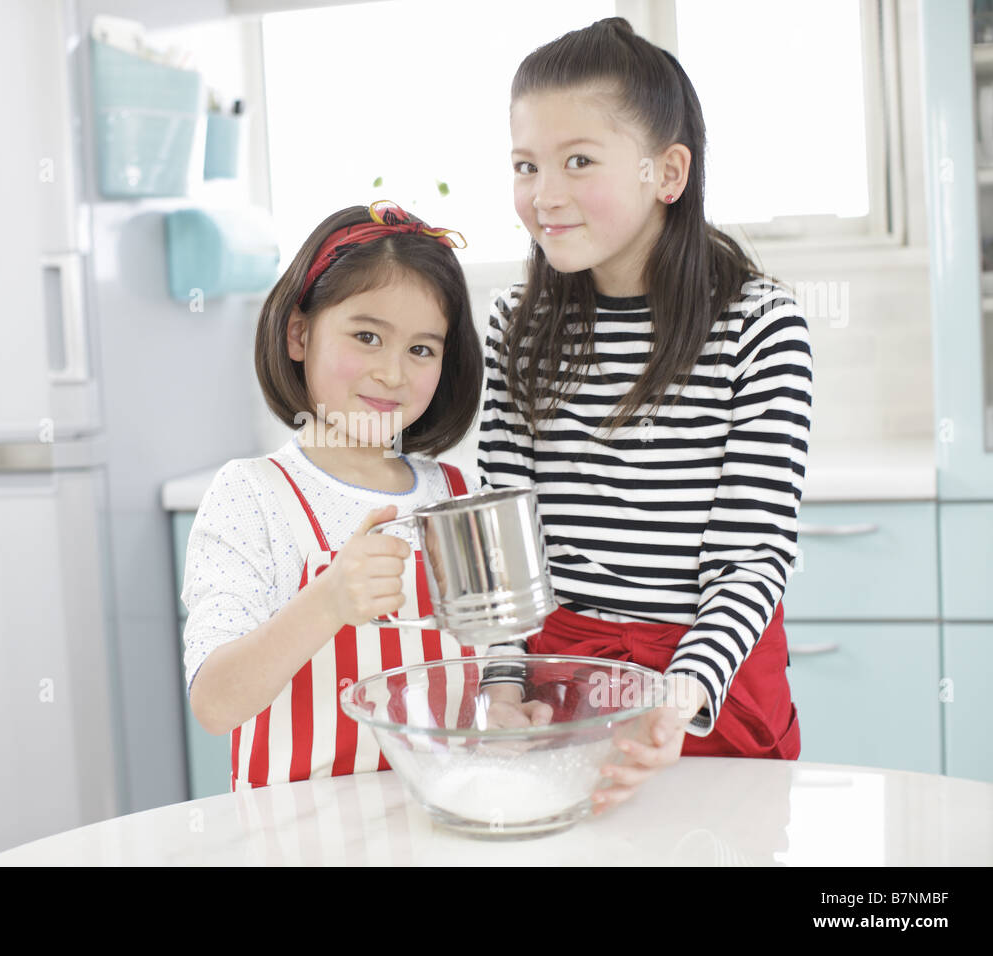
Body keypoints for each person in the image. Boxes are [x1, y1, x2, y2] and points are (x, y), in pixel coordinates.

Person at [478, 18, 813, 814]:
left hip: (707, 690)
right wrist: (500, 683)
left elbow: (751, 557)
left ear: (667, 172)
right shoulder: (513, 327)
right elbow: (504, 542)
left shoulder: (758, 324)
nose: (543, 194)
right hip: (559, 686)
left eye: (578, 161)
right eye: (526, 165)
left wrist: (680, 696)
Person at [182, 200, 484, 791]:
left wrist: (505, 698)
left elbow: (496, 660)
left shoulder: (458, 494)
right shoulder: (252, 496)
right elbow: (215, 704)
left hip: (442, 829)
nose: (393, 373)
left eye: (421, 349)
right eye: (367, 336)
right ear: (299, 333)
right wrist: (327, 603)